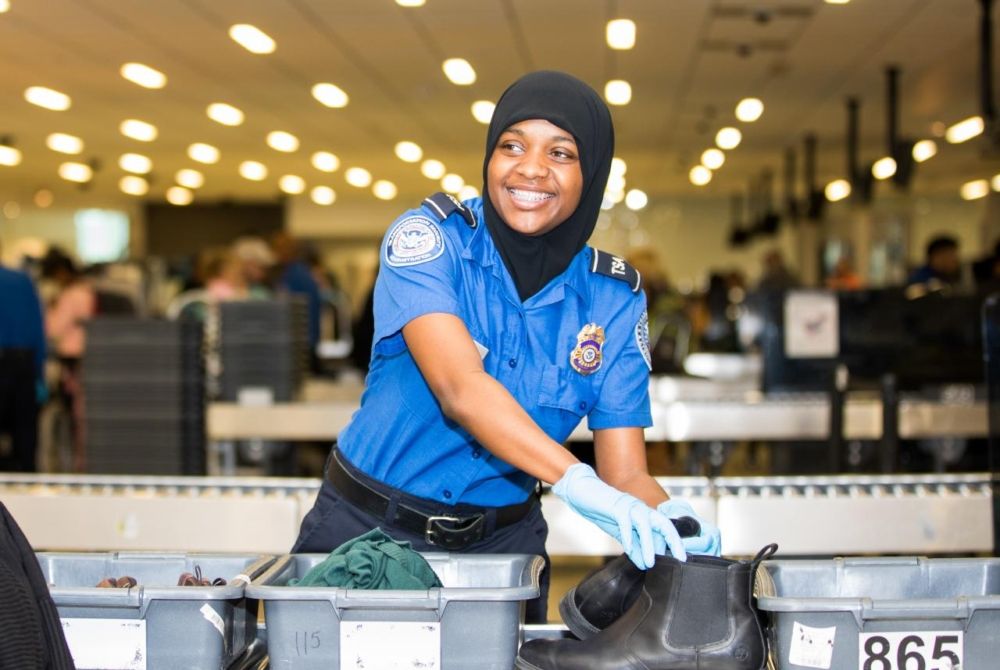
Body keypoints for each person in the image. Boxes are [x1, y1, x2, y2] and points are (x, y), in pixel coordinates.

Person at [292, 71, 720, 622]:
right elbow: (460, 388)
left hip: (502, 551)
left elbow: (625, 472)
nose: (531, 168)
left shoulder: (614, 299)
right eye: (511, 145)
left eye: (561, 152)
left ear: (592, 175)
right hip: (365, 534)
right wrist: (576, 480)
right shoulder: (431, 241)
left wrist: (670, 521)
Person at [41, 247, 96, 471]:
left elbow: (53, 328)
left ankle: (77, 464)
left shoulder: (71, 295)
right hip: (85, 357)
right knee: (81, 415)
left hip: (72, 359)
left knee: (75, 416)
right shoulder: (86, 291)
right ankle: (80, 462)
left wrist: (51, 307)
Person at [0, 258, 47, 472]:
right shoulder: (22, 280)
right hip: (22, 363)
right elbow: (37, 328)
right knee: (25, 434)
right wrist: (39, 373)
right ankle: (28, 484)